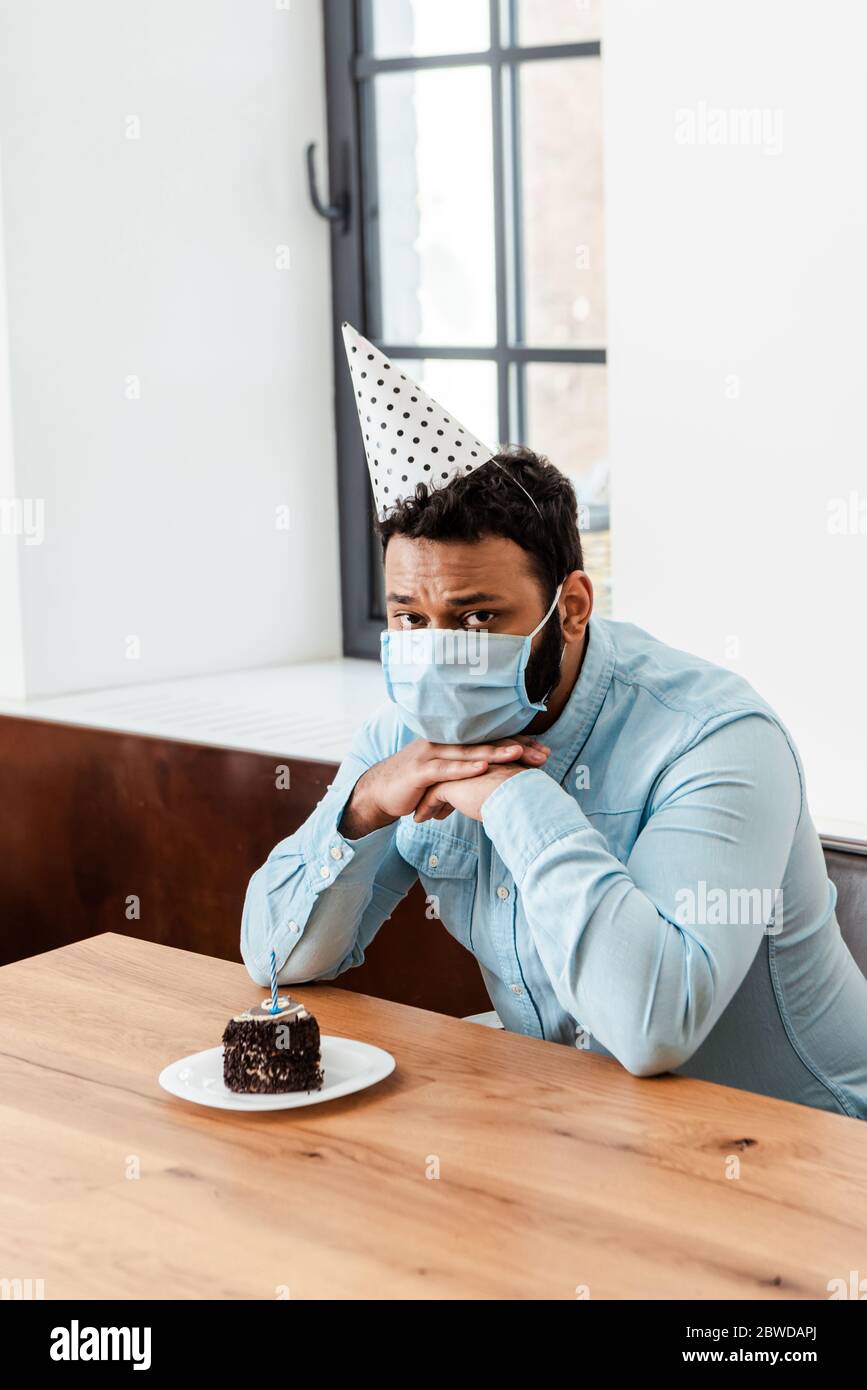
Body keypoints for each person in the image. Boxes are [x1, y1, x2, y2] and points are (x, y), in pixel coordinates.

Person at [240, 324, 867, 1118]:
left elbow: (653, 1027)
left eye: (475, 621)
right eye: (408, 618)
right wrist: (360, 810)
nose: (438, 656)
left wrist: (512, 800)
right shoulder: (405, 739)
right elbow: (273, 956)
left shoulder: (715, 739)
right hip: (579, 1137)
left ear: (570, 608)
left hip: (810, 1153)